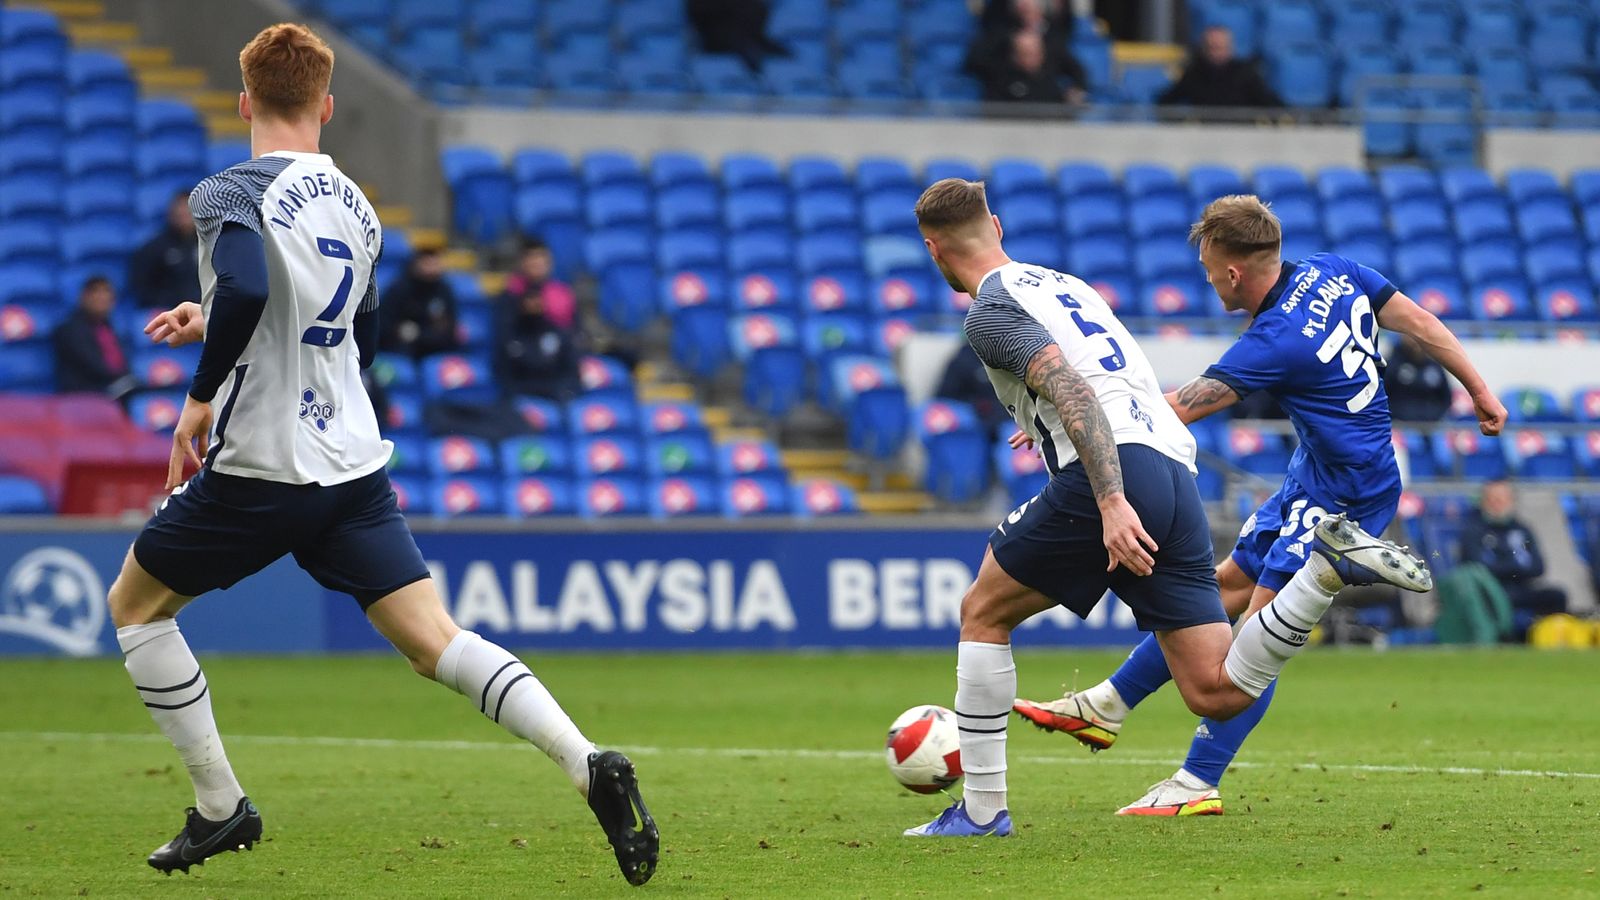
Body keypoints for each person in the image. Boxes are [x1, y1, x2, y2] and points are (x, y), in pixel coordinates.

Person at [113, 24, 657, 885]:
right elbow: (349, 331)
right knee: (435, 640)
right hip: (352, 462)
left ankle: (221, 807)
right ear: (326, 107)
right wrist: (212, 316)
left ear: (245, 100)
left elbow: (253, 285)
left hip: (264, 463)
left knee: (138, 606)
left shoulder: (229, 190)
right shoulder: (358, 205)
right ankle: (585, 761)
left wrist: (200, 394)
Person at [901, 179, 1425, 838]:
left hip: (1110, 476)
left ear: (933, 249)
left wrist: (1112, 500)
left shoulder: (988, 313)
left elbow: (1072, 390)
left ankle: (982, 812)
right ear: (997, 228)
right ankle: (1321, 577)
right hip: (1175, 471)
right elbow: (1122, 381)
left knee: (983, 608)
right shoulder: (1065, 284)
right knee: (1217, 689)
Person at [1016, 195, 1505, 816]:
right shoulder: (1337, 270)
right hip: (1317, 473)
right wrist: (1481, 392)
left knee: (1254, 640)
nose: (1206, 277)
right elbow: (1425, 325)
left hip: (1344, 493)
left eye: (1207, 267)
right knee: (1216, 592)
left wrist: (1069, 418)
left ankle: (1197, 782)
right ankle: (1107, 706)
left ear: (1233, 272)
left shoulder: (1273, 340)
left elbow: (1177, 408)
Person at [1460, 479, 1569, 622]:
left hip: (1521, 587)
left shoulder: (1522, 529)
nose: (1496, 504)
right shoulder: (1473, 531)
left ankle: (1552, 635)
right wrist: (1516, 567)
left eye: (1501, 499)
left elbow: (1538, 567)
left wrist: (1506, 567)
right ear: (1483, 502)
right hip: (1489, 591)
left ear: (1511, 500)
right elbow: (1478, 567)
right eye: (1492, 499)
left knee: (1556, 595)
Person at [967, 0, 1088, 104]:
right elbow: (974, 62)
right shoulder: (1000, 36)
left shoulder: (1054, 41)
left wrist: (1076, 90)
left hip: (1045, 103)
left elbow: (1077, 71)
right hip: (1006, 99)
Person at [1158, 25, 1282, 109]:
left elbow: (1269, 103)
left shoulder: (1246, 74)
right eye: (1210, 47)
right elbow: (1167, 103)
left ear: (1230, 48)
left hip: (1242, 137)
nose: (1215, 53)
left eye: (1219, 48)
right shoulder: (1194, 74)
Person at [52, 275, 136, 400]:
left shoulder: (109, 327)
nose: (101, 298)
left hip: (114, 389)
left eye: (106, 292)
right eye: (95, 292)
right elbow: (95, 367)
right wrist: (125, 379)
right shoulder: (70, 329)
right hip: (85, 395)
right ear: (83, 297)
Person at [497, 280, 581, 401]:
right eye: (529, 299)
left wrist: (563, 391)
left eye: (537, 299)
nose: (533, 304)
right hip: (521, 397)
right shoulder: (512, 336)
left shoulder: (556, 333)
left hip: (554, 395)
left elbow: (570, 369)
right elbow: (503, 371)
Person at [378, 245, 460, 360]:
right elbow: (384, 324)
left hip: (437, 352)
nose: (432, 269)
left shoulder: (444, 291)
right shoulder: (399, 289)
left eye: (435, 263)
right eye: (427, 263)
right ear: (416, 264)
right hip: (397, 351)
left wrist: (419, 335)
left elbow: (449, 330)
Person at [130, 192, 201, 310]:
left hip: (203, 312)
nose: (184, 215)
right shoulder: (155, 248)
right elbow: (141, 285)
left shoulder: (210, 245)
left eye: (188, 211)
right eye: (180, 211)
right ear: (172, 213)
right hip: (166, 312)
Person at [686, 0, 789, 73]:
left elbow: (757, 11)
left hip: (748, 36)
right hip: (714, 37)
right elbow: (699, 13)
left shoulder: (754, 8)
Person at [500, 238, 576, 333]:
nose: (536, 262)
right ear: (522, 262)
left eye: (540, 257)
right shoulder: (512, 292)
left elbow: (575, 328)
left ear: (549, 261)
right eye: (531, 257)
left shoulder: (562, 292)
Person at [1384, 334, 1452, 422]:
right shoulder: (1391, 364)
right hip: (1399, 425)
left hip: (1431, 426)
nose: (1415, 340)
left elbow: (1446, 397)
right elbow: (1384, 395)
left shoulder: (1434, 366)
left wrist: (1435, 417)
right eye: (1410, 335)